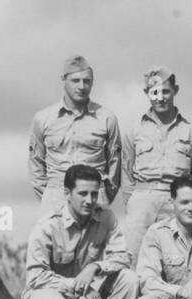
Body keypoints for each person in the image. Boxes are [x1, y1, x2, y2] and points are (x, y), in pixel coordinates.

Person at [22, 165, 138, 299]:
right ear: (67, 193)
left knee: (129, 279)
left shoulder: (106, 218)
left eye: (94, 194)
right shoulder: (47, 226)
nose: (89, 200)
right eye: (82, 193)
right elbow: (36, 277)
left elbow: (123, 257)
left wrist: (94, 267)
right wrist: (79, 285)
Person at [120, 66, 192, 259]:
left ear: (175, 91)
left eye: (166, 91)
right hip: (142, 197)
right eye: (154, 92)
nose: (160, 97)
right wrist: (135, 203)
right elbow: (126, 174)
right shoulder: (133, 130)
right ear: (146, 93)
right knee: (133, 255)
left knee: (175, 255)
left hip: (177, 199)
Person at [28, 55, 122, 217]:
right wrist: (50, 196)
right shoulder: (43, 119)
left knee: (96, 242)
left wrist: (101, 194)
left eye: (87, 81)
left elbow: (115, 163)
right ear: (63, 80)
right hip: (56, 194)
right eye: (75, 80)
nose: (82, 86)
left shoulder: (107, 118)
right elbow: (36, 163)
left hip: (94, 196)